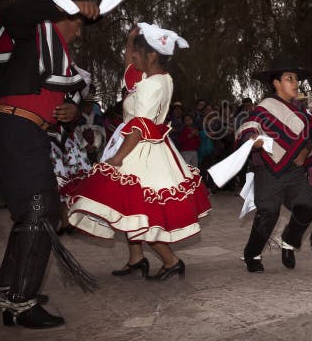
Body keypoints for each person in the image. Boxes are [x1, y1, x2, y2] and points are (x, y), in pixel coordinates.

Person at [0, 0, 99, 328]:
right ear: (59, 14)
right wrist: (71, 3)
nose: (78, 30)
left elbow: (67, 109)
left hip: (25, 131)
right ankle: (21, 301)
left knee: (32, 212)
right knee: (40, 208)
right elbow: (14, 10)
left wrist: (73, 111)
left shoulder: (56, 58)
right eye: (76, 22)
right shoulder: (28, 33)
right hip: (14, 126)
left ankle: (10, 290)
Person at [65, 23, 211, 281]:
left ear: (151, 55)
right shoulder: (161, 78)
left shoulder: (148, 86)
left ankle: (171, 260)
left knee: (141, 210)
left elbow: (139, 126)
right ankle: (136, 258)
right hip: (152, 147)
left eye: (137, 53)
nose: (132, 57)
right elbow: (129, 71)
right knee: (129, 207)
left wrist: (118, 158)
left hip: (140, 149)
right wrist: (131, 40)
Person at [237, 56, 312, 273]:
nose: (296, 83)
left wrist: (306, 151)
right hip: (268, 169)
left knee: (308, 206)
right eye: (289, 78)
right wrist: (253, 140)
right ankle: (252, 253)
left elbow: (308, 139)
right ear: (276, 83)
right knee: (268, 213)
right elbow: (248, 128)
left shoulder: (302, 113)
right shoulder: (263, 108)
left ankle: (288, 241)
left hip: (295, 170)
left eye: (296, 79)